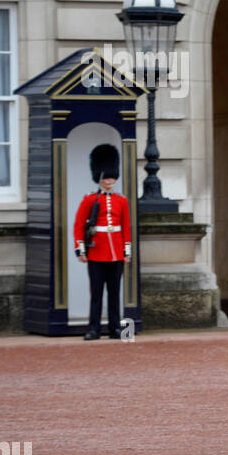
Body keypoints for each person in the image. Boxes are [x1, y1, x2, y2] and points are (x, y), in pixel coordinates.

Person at [74, 144, 132, 340]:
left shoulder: (121, 200)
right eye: (106, 176)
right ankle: (94, 329)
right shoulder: (90, 199)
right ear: (99, 176)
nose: (110, 180)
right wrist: (81, 250)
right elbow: (79, 226)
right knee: (97, 294)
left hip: (116, 253)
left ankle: (116, 328)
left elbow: (126, 227)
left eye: (112, 177)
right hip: (96, 252)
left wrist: (126, 252)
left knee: (115, 294)